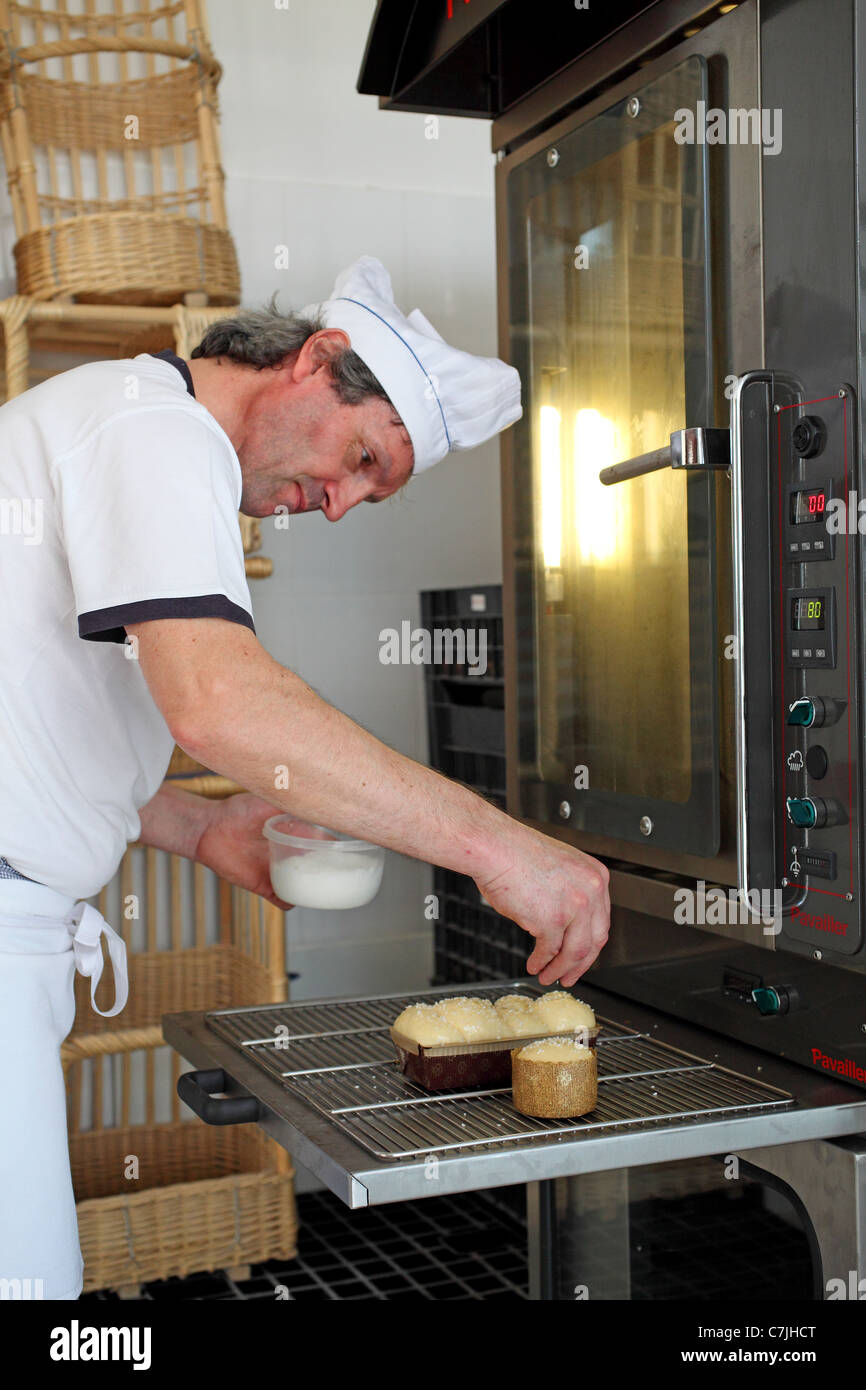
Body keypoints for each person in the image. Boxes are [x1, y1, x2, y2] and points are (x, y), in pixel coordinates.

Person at [0, 255, 609, 1300]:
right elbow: (222, 700)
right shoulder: (152, 431)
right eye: (363, 457)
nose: (339, 504)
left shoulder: (131, 428)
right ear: (317, 362)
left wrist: (197, 832)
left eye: (373, 489)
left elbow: (33, 719)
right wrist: (500, 847)